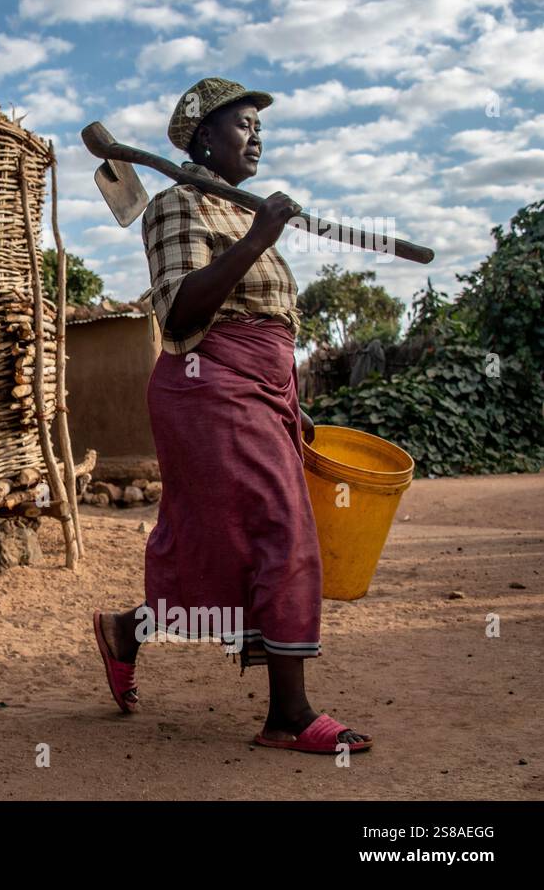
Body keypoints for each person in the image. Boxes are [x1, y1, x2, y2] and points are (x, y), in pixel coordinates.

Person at [92, 77, 373, 754]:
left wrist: (291, 401)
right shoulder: (175, 206)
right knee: (283, 522)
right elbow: (181, 312)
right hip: (206, 386)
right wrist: (255, 238)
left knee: (219, 549)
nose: (257, 135)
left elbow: (269, 320)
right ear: (204, 137)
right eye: (243, 124)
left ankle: (126, 630)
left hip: (262, 389)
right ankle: (289, 715)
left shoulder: (242, 213)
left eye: (258, 125)